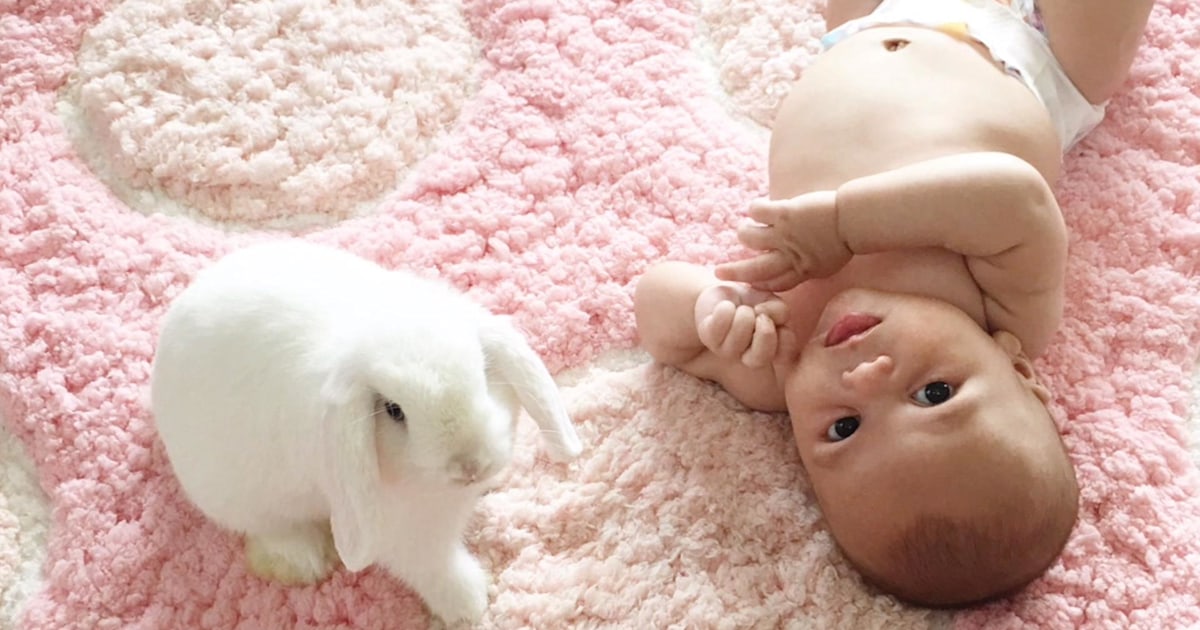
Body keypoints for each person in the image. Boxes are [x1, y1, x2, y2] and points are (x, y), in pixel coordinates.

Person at [634, 0, 1154, 607]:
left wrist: (709, 308)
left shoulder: (779, 361)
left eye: (844, 427)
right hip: (1033, 59)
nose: (865, 376)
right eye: (935, 393)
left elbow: (653, 311)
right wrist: (844, 225)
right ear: (1015, 370)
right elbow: (1019, 202)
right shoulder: (1003, 318)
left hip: (860, 33)